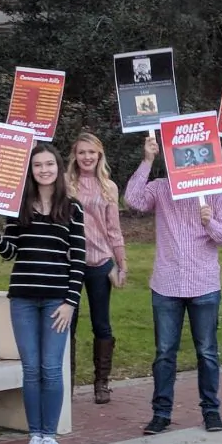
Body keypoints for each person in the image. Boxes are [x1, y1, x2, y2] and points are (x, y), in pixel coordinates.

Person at [0, 144, 84, 444]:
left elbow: (78, 260)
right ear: (31, 171)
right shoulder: (18, 207)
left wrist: (70, 302)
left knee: (51, 370)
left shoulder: (72, 209)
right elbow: (10, 252)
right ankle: (34, 435)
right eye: (38, 165)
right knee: (31, 370)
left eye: (50, 164)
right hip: (22, 298)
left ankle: (50, 437)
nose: (45, 170)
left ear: (59, 168)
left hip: (56, 301)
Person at [126, 133, 222, 434]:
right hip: (167, 285)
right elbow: (133, 199)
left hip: (204, 285)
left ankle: (211, 410)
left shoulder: (216, 192)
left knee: (207, 352)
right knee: (164, 353)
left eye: (195, 154)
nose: (189, 160)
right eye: (182, 155)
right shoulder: (162, 189)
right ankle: (161, 413)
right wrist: (147, 160)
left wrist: (209, 222)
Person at [65, 132, 127, 404]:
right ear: (74, 156)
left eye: (92, 152)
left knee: (102, 323)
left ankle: (101, 382)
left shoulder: (108, 187)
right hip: (70, 262)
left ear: (99, 155)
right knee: (67, 324)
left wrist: (121, 263)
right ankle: (65, 381)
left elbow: (114, 230)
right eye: (82, 152)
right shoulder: (65, 184)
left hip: (100, 263)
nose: (87, 157)